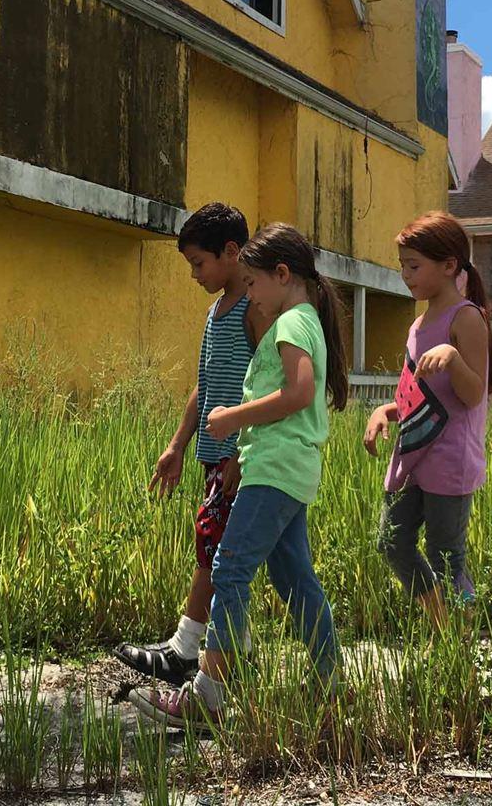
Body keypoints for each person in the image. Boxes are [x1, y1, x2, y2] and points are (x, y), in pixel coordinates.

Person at [129, 222, 348, 728]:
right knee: (294, 578)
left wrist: (233, 418)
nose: (248, 294)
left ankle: (206, 697)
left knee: (228, 570)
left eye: (252, 283)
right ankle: (330, 684)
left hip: (274, 468)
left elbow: (298, 392)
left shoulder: (292, 324)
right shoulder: (302, 320)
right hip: (287, 469)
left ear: (282, 274)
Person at [113, 203, 266, 685]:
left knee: (215, 548)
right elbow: (205, 384)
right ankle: (237, 651)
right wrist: (178, 445)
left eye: (199, 263)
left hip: (240, 457)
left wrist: (244, 452)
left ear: (231, 251)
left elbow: (268, 384)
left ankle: (185, 649)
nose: (195, 275)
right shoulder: (215, 312)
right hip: (212, 455)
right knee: (220, 548)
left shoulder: (255, 310)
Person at [363, 211, 492, 627]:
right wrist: (385, 411)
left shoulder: (466, 318)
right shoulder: (418, 324)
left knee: (446, 557)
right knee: (391, 541)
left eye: (414, 266)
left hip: (450, 460)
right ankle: (442, 622)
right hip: (413, 456)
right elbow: (416, 395)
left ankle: (460, 640)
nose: (405, 275)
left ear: (449, 266)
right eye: (402, 265)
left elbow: (472, 395)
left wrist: (453, 358)